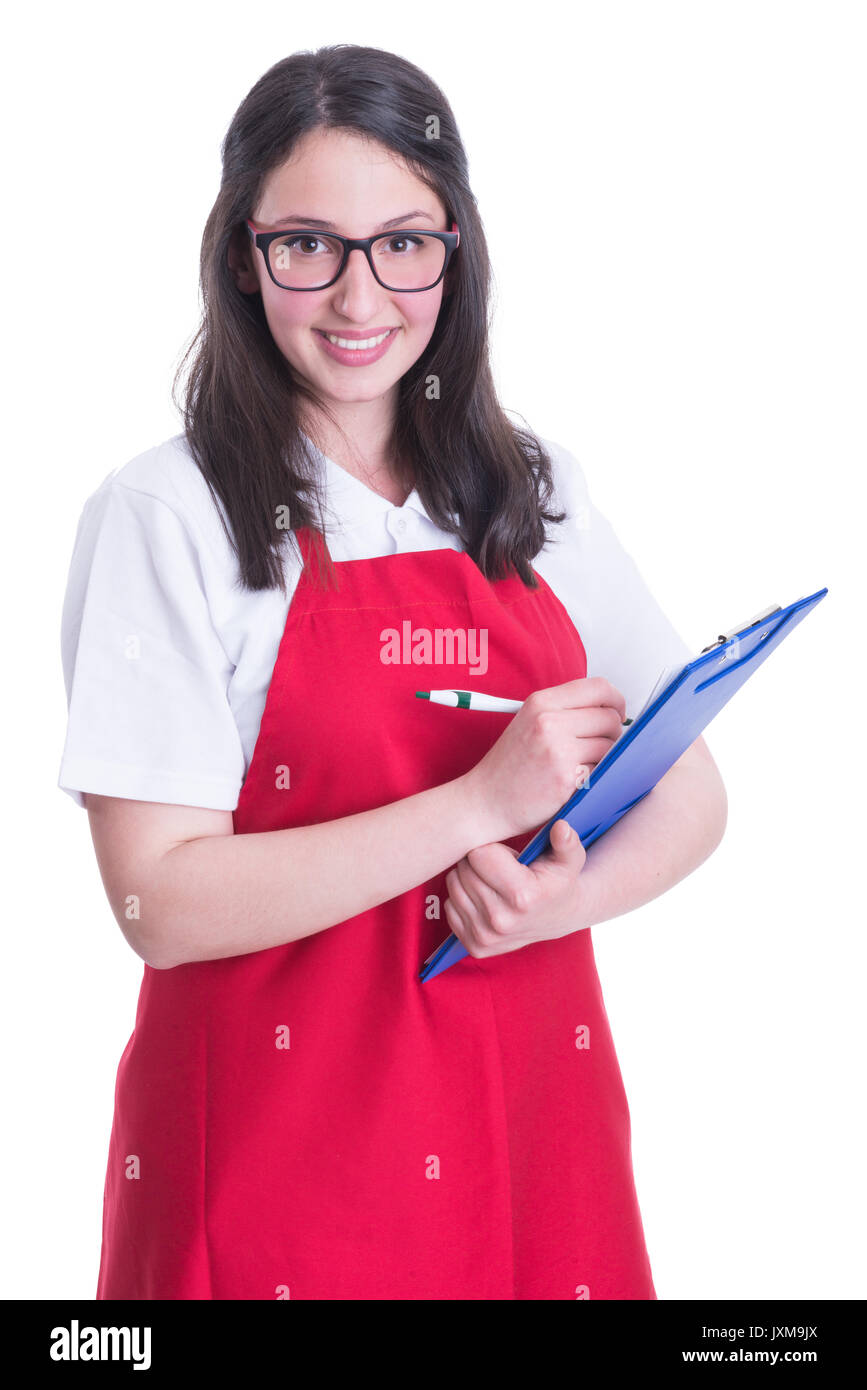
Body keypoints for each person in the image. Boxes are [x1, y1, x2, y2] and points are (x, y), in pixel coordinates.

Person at [58, 45, 727, 1300]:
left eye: (403, 242)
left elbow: (692, 792)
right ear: (243, 255)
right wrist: (477, 806)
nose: (359, 294)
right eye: (307, 243)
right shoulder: (169, 515)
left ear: (454, 250)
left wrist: (552, 906)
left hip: (531, 1129)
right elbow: (159, 901)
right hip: (277, 1172)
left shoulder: (532, 490)